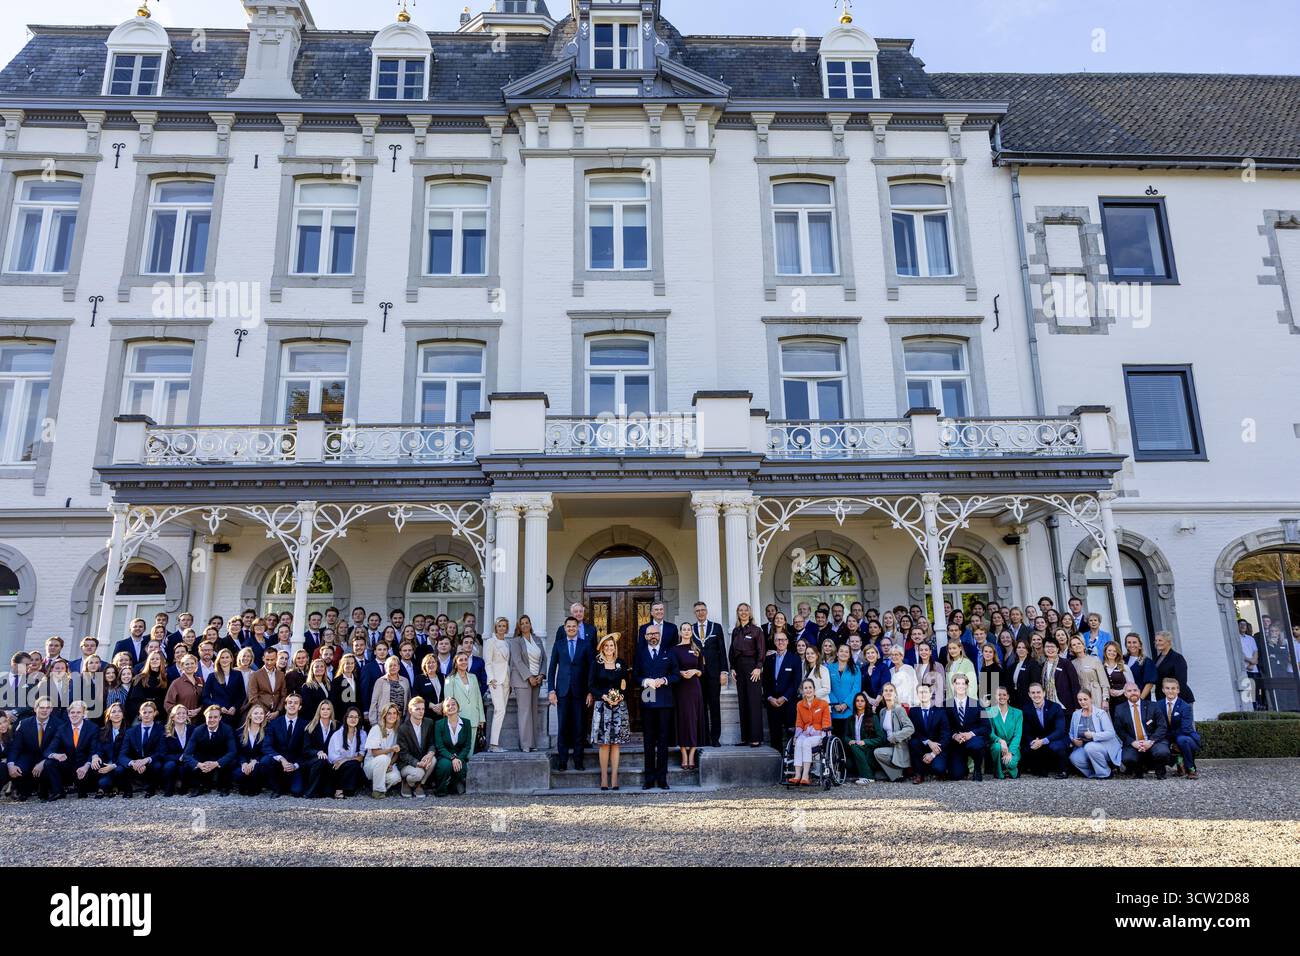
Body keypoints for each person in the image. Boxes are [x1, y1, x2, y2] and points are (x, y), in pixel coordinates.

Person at [636, 624, 679, 790]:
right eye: (650, 634)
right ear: (645, 637)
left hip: (664, 699)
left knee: (662, 741)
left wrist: (665, 680)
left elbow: (676, 675)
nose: (653, 636)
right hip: (647, 696)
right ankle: (649, 778)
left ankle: (662, 778)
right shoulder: (640, 653)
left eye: (655, 633)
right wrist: (645, 681)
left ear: (660, 635)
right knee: (648, 741)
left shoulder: (669, 652)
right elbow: (635, 676)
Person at [547, 616, 593, 771]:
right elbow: (552, 668)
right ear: (564, 628)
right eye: (569, 626)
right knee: (563, 727)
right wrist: (551, 690)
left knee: (579, 727)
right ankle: (562, 760)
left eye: (574, 626)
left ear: (577, 628)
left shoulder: (585, 645)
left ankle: (578, 760)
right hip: (563, 692)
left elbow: (590, 670)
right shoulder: (558, 645)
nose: (572, 628)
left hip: (580, 692)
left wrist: (590, 691)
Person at [588, 633, 631, 790]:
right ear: (602, 648)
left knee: (616, 744)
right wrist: (603, 696)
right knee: (604, 744)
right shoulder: (596, 663)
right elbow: (591, 685)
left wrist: (620, 696)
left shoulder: (621, 663)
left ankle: (614, 778)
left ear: (615, 647)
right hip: (602, 706)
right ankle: (604, 778)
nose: (609, 648)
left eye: (611, 646)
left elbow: (626, 684)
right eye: (606, 646)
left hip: (619, 707)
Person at [43, 700, 99, 800]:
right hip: (69, 766)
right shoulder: (62, 729)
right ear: (68, 714)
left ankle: (87, 788)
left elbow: (93, 750)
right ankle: (58, 792)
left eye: (78, 712)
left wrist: (86, 767)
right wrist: (55, 755)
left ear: (84, 714)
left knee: (83, 793)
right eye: (72, 712)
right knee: (49, 763)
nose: (75, 715)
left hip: (86, 766)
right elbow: (48, 750)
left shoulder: (93, 728)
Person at [1112, 681, 1169, 779]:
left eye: (1135, 690)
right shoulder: (1120, 709)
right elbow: (1119, 730)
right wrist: (1133, 742)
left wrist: (1150, 741)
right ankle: (1138, 770)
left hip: (1153, 740)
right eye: (1129, 691)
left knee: (1162, 752)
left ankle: (1160, 770)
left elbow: (1162, 726)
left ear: (1139, 691)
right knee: (1127, 758)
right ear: (1125, 694)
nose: (1133, 693)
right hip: (1134, 741)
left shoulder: (1153, 706)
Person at [729, 603, 766, 748]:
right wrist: (732, 667)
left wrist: (758, 667)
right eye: (740, 610)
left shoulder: (757, 631)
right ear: (738, 613)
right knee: (743, 702)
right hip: (739, 668)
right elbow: (732, 651)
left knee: (754, 702)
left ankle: (756, 738)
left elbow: (761, 650)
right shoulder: (736, 631)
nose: (743, 613)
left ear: (750, 613)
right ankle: (745, 737)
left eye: (746, 610)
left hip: (752, 668)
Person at [692, 602, 729, 749]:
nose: (700, 613)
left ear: (706, 611)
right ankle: (704, 737)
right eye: (697, 611)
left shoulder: (716, 627)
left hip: (714, 674)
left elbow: (722, 650)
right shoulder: (692, 629)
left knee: (714, 706)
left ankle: (715, 738)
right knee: (701, 706)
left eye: (702, 610)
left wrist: (723, 672)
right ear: (695, 613)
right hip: (698, 674)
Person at [508, 615, 547, 753]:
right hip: (522, 680)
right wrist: (529, 676)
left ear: (530, 624)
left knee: (533, 712)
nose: (525, 625)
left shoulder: (537, 640)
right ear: (519, 626)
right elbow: (517, 661)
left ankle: (533, 743)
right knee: (525, 712)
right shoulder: (515, 641)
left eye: (527, 622)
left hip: (537, 680)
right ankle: (525, 744)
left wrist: (541, 675)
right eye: (522, 623)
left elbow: (544, 658)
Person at [671, 622, 707, 771]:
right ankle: (683, 754)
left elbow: (702, 670)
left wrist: (695, 672)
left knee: (694, 719)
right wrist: (680, 673)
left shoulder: (697, 649)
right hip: (680, 688)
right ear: (680, 632)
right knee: (682, 719)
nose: (686, 631)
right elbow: (672, 669)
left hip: (694, 688)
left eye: (688, 629)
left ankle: (691, 754)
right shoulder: (674, 650)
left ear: (692, 632)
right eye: (683, 629)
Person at [7, 696, 56, 801]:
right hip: (28, 754)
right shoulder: (24, 724)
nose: (44, 710)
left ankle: (46, 790)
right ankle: (21, 790)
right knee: (19, 767)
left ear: (51, 709)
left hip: (47, 757)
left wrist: (44, 761)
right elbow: (16, 747)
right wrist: (10, 764)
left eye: (48, 707)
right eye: (41, 707)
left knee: (49, 765)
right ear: (35, 709)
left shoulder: (58, 724)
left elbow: (59, 748)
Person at [182, 705, 238, 796]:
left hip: (220, 757)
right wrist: (199, 764)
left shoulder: (227, 729)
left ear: (220, 718)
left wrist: (216, 763)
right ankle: (197, 787)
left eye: (215, 717)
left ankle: (224, 787)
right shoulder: (198, 730)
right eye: (209, 717)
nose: (212, 720)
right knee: (189, 763)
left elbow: (233, 751)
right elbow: (186, 754)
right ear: (205, 717)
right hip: (203, 759)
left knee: (231, 761)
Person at [260, 693, 307, 798]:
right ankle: (276, 788)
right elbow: (266, 746)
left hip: (295, 765)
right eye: (289, 702)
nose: (292, 705)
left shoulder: (305, 725)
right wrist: (281, 759)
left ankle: (288, 785)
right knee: (264, 761)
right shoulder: (274, 723)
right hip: (278, 764)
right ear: (285, 706)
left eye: (296, 703)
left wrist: (295, 765)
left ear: (300, 707)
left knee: (297, 792)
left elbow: (306, 750)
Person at [1068, 689, 1122, 778]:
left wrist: (1093, 735)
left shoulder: (1100, 713)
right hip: (1084, 746)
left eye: (1085, 699)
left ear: (1091, 699)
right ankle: (1094, 773)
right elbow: (1071, 732)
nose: (1082, 702)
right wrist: (1074, 741)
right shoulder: (1076, 714)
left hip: (1103, 746)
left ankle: (1105, 773)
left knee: (1090, 747)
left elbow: (1111, 733)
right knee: (1074, 758)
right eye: (1080, 700)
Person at [1021, 683, 1070, 779]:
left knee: (1057, 747)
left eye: (1038, 692)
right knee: (1028, 751)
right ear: (1029, 694)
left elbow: (1060, 730)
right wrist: (1033, 742)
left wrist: (1042, 741)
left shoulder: (1055, 707)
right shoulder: (1026, 709)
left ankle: (1064, 770)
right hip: (1038, 740)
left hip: (1055, 738)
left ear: (1044, 693)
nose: (1036, 695)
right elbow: (1026, 731)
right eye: (1033, 693)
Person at [762, 631, 800, 753]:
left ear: (787, 642)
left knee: (791, 734)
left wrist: (784, 697)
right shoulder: (768, 659)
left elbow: (796, 681)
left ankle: (792, 763)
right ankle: (777, 763)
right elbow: (765, 682)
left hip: (788, 702)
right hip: (772, 703)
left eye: (783, 640)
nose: (781, 642)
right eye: (778, 640)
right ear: (774, 642)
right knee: (775, 734)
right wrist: (769, 698)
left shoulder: (794, 658)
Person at [945, 674, 988, 781]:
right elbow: (944, 727)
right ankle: (962, 768)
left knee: (977, 745)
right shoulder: (946, 705)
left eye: (963, 683)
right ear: (953, 685)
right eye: (957, 683)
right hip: (956, 743)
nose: (960, 686)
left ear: (967, 686)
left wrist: (970, 734)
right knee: (956, 775)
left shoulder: (978, 704)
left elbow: (987, 727)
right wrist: (954, 735)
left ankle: (977, 768)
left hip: (973, 741)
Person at [1158, 676, 1201, 779]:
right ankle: (1161, 769)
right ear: (1163, 690)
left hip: (1185, 735)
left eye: (1173, 688)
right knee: (1159, 744)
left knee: (1182, 740)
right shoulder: (1158, 705)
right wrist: (1170, 740)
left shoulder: (1185, 706)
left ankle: (1190, 769)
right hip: (1167, 736)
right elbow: (1158, 725)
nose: (1170, 691)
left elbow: (1185, 728)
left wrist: (1173, 741)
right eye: (1167, 688)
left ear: (1178, 690)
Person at [870, 683, 914, 782]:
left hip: (899, 747)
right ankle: (895, 773)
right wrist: (872, 714)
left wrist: (895, 737)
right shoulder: (882, 712)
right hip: (888, 746)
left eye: (891, 690)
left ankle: (898, 774)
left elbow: (910, 728)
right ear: (882, 694)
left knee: (877, 753)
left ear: (895, 694)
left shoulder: (899, 709)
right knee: (877, 775)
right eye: (886, 690)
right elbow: (881, 732)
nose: (888, 692)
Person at [119, 699, 164, 797]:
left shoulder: (161, 730)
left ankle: (151, 789)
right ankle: (128, 791)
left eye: (150, 712)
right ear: (140, 714)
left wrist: (146, 760)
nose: (147, 715)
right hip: (135, 763)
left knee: (157, 765)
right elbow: (122, 754)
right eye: (144, 712)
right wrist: (133, 763)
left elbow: (161, 751)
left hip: (151, 762)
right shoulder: (131, 731)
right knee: (120, 768)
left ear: (155, 713)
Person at [789, 679, 830, 786]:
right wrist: (796, 736)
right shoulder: (800, 705)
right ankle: (797, 775)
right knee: (798, 742)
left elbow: (826, 721)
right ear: (802, 691)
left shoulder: (823, 704)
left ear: (814, 689)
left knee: (806, 742)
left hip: (818, 734)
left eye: (810, 687)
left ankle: (805, 776)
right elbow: (799, 722)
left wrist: (824, 737)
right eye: (805, 688)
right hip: (806, 733)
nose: (808, 690)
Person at [396, 695, 438, 798]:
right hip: (407, 763)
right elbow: (403, 754)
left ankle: (420, 784)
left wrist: (430, 753)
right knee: (418, 773)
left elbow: (432, 743)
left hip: (423, 759)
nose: (421, 711)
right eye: (417, 709)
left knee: (433, 760)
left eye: (423, 709)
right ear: (410, 710)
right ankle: (406, 782)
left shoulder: (429, 723)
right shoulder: (403, 728)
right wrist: (417, 763)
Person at [444, 651, 485, 754]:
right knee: (459, 749)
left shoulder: (473, 677)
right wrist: (452, 717)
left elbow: (478, 698)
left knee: (470, 749)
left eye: (465, 660)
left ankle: (468, 769)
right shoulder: (450, 679)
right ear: (456, 663)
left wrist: (481, 718)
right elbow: (448, 702)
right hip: (458, 718)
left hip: (474, 717)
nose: (464, 662)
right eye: (460, 660)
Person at [432, 695, 473, 797]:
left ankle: (453, 787)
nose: (451, 707)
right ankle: (440, 790)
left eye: (453, 704)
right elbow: (440, 746)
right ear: (444, 711)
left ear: (458, 707)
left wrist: (458, 758)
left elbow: (467, 746)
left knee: (461, 767)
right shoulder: (439, 724)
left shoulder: (467, 723)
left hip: (460, 755)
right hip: (445, 755)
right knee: (445, 765)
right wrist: (452, 758)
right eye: (447, 706)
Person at [483, 617, 512, 753]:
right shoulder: (490, 642)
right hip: (495, 680)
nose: (501, 628)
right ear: (496, 627)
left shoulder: (506, 643)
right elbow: (488, 662)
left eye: (504, 626)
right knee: (499, 710)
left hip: (506, 679)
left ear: (507, 628)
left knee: (502, 711)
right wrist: (491, 678)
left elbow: (507, 663)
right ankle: (493, 745)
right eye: (499, 626)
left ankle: (495, 744)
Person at [364, 703, 403, 798]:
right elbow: (374, 752)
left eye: (394, 713)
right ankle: (378, 791)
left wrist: (390, 764)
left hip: (387, 764)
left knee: (396, 778)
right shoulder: (376, 729)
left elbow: (396, 753)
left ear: (397, 716)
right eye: (389, 713)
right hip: (372, 765)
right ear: (384, 715)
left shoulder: (397, 731)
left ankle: (376, 784)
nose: (392, 716)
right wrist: (390, 749)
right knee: (383, 759)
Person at [327, 706, 366, 799]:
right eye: (351, 717)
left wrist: (345, 760)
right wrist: (344, 762)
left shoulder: (362, 734)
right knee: (352, 764)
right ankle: (339, 789)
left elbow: (361, 757)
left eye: (356, 717)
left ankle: (344, 788)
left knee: (354, 764)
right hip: (338, 769)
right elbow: (334, 759)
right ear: (346, 718)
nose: (353, 719)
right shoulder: (337, 735)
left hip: (353, 768)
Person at [301, 700, 338, 798]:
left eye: (328, 709)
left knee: (328, 793)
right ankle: (309, 792)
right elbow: (306, 749)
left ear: (331, 711)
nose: (325, 711)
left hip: (330, 761)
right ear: (319, 711)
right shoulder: (311, 727)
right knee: (320, 761)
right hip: (312, 761)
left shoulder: (337, 726)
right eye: (323, 709)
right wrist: (318, 752)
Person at [986, 686, 1022, 779]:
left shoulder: (1018, 713)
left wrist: (1010, 752)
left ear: (1008, 696)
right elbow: (990, 732)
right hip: (996, 745)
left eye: (1004, 695)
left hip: (1012, 746)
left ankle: (1008, 768)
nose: (1002, 697)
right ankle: (999, 772)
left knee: (1011, 763)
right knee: (997, 747)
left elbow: (1017, 735)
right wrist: (1000, 741)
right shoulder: (989, 711)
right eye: (999, 695)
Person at [93, 702, 128, 797]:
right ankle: (109, 786)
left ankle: (113, 786)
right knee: (96, 766)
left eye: (119, 711)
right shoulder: (102, 731)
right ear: (109, 715)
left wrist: (114, 765)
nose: (116, 714)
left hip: (121, 764)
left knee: (117, 771)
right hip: (106, 762)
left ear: (123, 715)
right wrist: (96, 756)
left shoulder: (129, 731)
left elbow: (128, 753)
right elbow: (99, 749)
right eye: (113, 712)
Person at [1068, 634, 1110, 713]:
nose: (1077, 646)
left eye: (1079, 643)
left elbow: (1104, 682)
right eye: (1074, 645)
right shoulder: (1071, 664)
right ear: (1071, 648)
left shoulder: (1094, 659)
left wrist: (1105, 699)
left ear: (1083, 645)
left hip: (1097, 694)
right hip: (1082, 697)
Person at [233, 704, 267, 796]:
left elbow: (266, 751)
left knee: (257, 769)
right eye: (256, 713)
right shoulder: (239, 732)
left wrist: (255, 761)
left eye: (261, 713)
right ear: (250, 716)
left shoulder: (267, 732)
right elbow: (237, 752)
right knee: (238, 773)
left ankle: (256, 786)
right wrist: (243, 763)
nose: (259, 716)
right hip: (243, 762)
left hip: (257, 763)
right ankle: (244, 785)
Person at [367, 656, 410, 729]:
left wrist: (407, 718)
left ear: (399, 667)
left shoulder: (405, 681)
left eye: (395, 665)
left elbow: (409, 699)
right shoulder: (380, 681)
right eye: (390, 665)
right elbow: (374, 701)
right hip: (384, 719)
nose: (393, 667)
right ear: (386, 668)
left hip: (401, 720)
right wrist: (373, 721)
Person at [842, 693, 877, 783]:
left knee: (855, 747)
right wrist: (849, 741)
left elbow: (881, 738)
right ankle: (863, 773)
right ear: (854, 703)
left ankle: (868, 777)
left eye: (862, 701)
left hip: (868, 750)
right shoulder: (850, 719)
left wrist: (865, 742)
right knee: (848, 763)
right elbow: (845, 736)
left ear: (866, 703)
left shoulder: (873, 717)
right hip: (855, 751)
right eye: (857, 701)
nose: (860, 703)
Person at [1041, 636, 1080, 713]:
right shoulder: (1042, 666)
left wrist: (1077, 706)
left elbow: (1075, 684)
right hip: (1048, 706)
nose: (1050, 649)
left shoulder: (1065, 663)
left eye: (1052, 646)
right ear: (1044, 649)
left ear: (1058, 649)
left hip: (1065, 705)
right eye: (1047, 647)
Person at [160, 704, 192, 796]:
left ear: (187, 716)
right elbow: (163, 754)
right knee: (170, 765)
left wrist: (186, 757)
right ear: (173, 717)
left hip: (187, 760)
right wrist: (179, 757)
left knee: (186, 766)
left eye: (183, 713)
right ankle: (169, 787)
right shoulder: (165, 732)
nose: (181, 715)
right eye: (178, 713)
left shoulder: (192, 730)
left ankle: (184, 787)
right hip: (171, 760)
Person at [1153, 632, 1195, 703]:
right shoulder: (1158, 658)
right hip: (1163, 698)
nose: (1157, 643)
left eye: (1160, 640)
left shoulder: (1177, 658)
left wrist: (1177, 701)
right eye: (1156, 641)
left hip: (1180, 699)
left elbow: (1181, 682)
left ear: (1168, 642)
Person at [1007, 639, 1041, 709]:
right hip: (1014, 701)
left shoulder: (1033, 664)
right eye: (1019, 647)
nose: (1021, 650)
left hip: (1028, 701)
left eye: (1024, 648)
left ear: (1028, 650)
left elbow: (1035, 683)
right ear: (1016, 650)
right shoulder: (1013, 666)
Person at [1124, 633, 1158, 700]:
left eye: (1134, 642)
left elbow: (1149, 684)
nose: (1131, 645)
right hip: (1125, 698)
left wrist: (1140, 699)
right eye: (1129, 642)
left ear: (1140, 645)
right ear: (1126, 645)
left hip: (1141, 697)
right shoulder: (1123, 659)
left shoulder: (1146, 661)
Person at [913, 635, 944, 707]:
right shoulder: (917, 668)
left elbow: (941, 688)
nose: (923, 652)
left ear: (930, 652)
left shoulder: (937, 666)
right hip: (920, 704)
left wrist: (937, 705)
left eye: (926, 650)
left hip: (934, 704)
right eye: (921, 650)